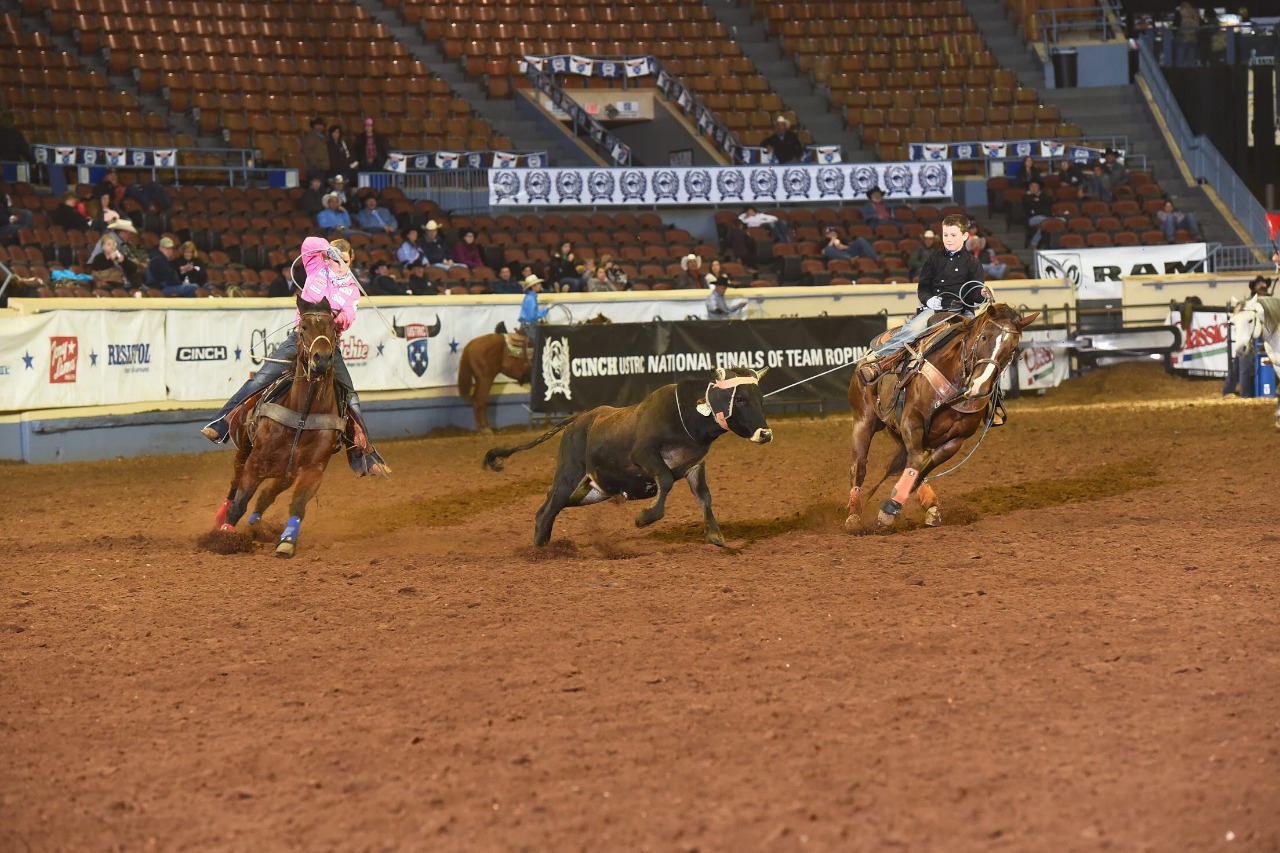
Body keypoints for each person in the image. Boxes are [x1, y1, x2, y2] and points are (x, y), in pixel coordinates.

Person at [200, 236, 391, 478]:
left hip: (328, 346)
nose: (340, 263)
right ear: (327, 257)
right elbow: (308, 245)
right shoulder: (316, 267)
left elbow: (349, 316)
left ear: (351, 261)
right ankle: (221, 423)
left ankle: (362, 455)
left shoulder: (351, 289)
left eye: (345, 260)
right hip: (299, 341)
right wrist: (326, 248)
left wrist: (335, 318)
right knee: (260, 379)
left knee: (350, 396)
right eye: (336, 258)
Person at [859, 212, 989, 381]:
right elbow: (923, 286)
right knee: (912, 329)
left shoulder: (973, 263)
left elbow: (974, 292)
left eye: (953, 235)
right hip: (934, 310)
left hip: (963, 312)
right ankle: (879, 361)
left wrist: (981, 293)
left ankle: (988, 384)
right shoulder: (933, 258)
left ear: (965, 236)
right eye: (945, 235)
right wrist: (929, 299)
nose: (948, 239)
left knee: (983, 340)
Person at [1223, 274, 1272, 397]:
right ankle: (1244, 394)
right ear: (1254, 287)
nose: (1262, 285)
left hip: (1266, 341)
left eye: (1263, 283)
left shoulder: (1270, 302)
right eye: (1259, 284)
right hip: (1251, 341)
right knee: (1243, 367)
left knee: (1239, 365)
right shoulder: (1247, 304)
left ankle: (1230, 391)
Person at [517, 274, 551, 339]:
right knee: (540, 342)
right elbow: (533, 316)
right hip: (529, 326)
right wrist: (546, 308)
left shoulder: (530, 297)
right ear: (533, 286)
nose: (540, 285)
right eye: (538, 284)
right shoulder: (531, 299)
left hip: (528, 325)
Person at [1022, 180, 1054, 248]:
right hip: (1032, 218)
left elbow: (1050, 202)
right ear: (1029, 188)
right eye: (1032, 186)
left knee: (1045, 224)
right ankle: (1034, 243)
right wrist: (1042, 202)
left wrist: (1039, 200)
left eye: (1036, 187)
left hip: (1045, 216)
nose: (1034, 188)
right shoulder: (1026, 196)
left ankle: (1034, 243)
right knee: (1045, 221)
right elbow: (1034, 205)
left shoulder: (1043, 195)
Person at [301, 117, 330, 182]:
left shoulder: (324, 137)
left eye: (321, 125)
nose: (320, 127)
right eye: (318, 125)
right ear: (313, 126)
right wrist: (315, 164)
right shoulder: (310, 137)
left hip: (324, 167)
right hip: (315, 168)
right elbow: (307, 151)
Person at [1173, 0, 1200, 67]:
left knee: (1180, 59)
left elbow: (1175, 25)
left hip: (1182, 38)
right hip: (1192, 38)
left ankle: (1180, 74)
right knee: (1191, 58)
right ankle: (1191, 74)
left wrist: (1175, 34)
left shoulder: (1179, 12)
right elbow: (1198, 25)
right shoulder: (1194, 12)